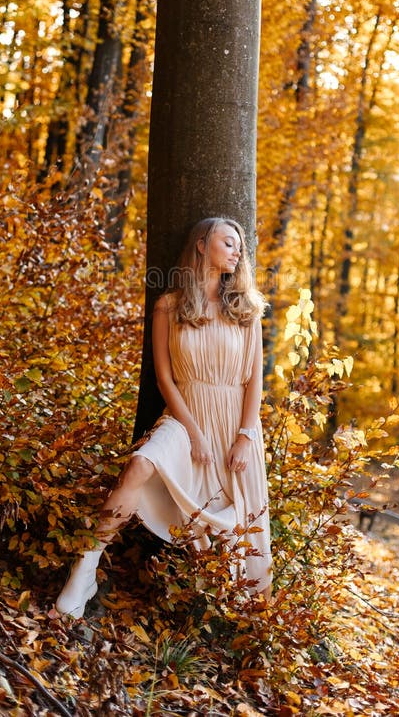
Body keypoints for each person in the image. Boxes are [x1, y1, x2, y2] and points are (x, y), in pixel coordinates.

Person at [55, 217, 272, 618]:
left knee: (230, 538)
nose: (237, 251)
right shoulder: (169, 306)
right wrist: (193, 433)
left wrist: (244, 435)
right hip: (183, 415)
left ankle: (213, 615)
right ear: (202, 245)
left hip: (233, 427)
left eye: (240, 245)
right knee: (139, 465)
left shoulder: (247, 310)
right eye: (229, 242)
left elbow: (254, 380)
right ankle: (85, 566)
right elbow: (164, 378)